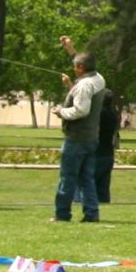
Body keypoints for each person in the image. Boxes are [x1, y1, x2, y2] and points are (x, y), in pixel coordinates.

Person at [52, 49, 106, 223]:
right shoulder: (98, 79)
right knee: (86, 178)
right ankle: (92, 213)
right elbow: (84, 98)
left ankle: (62, 214)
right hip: (91, 138)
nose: (73, 69)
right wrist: (70, 86)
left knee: (68, 177)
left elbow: (81, 110)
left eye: (75, 66)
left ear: (81, 67)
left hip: (77, 138)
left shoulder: (84, 85)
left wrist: (61, 112)